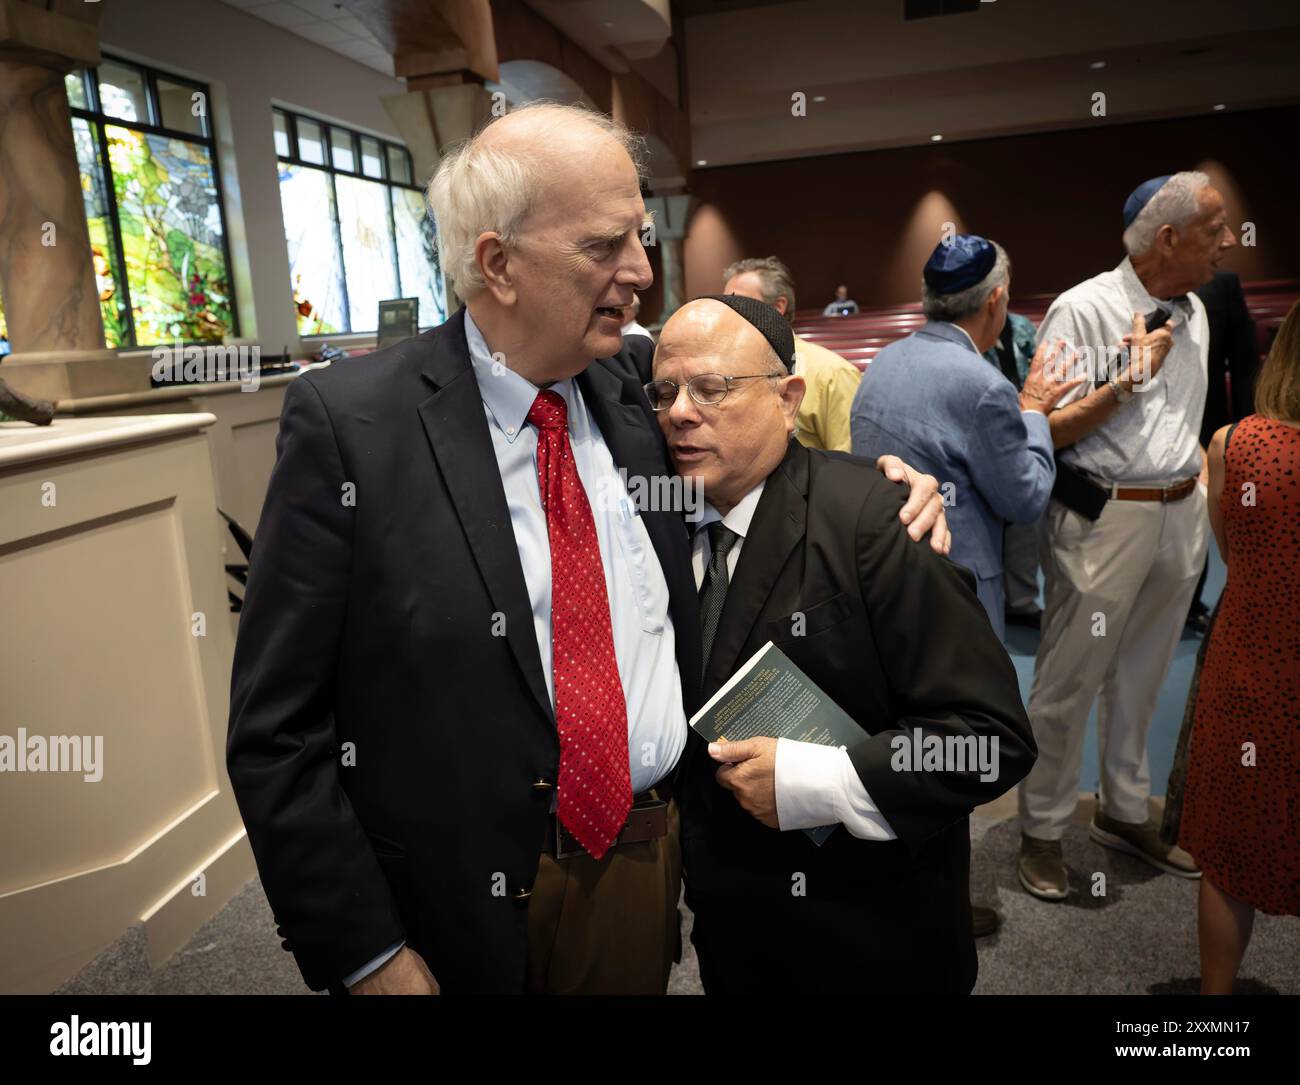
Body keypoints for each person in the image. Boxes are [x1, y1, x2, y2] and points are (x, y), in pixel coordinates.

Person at [226, 102, 948, 996]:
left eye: (640, 237)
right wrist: (363, 950)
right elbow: (277, 728)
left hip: (642, 866)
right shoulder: (353, 428)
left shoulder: (638, 393)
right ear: (499, 263)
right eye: (605, 245)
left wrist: (885, 487)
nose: (642, 270)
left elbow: (764, 467)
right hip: (450, 905)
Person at [648, 294, 1036, 993]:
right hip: (733, 931)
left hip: (871, 937)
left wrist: (822, 783)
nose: (680, 411)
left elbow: (990, 738)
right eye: (665, 392)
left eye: (711, 387)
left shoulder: (878, 517)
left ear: (788, 398)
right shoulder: (660, 525)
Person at [1017, 171, 1237, 901]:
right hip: (1105, 516)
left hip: (1178, 511)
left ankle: (1122, 807)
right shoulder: (1083, 309)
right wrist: (1127, 379)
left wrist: (1197, 486)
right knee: (1069, 679)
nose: (1229, 242)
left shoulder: (1196, 309)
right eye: (1215, 229)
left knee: (1143, 675)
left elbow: (1183, 418)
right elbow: (1043, 427)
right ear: (1167, 238)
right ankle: (1042, 828)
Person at [851, 235, 1079, 641]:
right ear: (995, 299)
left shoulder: (884, 360)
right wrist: (1034, 411)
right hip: (957, 581)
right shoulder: (985, 385)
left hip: (882, 570)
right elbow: (1024, 500)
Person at [1179, 299, 1300, 994]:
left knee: (1228, 852)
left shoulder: (1232, 444)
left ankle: (1215, 1008)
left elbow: (1232, 554)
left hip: (1250, 661)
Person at [723, 255, 861, 451]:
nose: (727, 313)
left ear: (778, 307)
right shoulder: (725, 371)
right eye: (726, 304)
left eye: (740, 303)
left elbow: (850, 462)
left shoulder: (833, 374)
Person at [1185, 269, 1259, 633]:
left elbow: (1243, 363)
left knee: (1202, 512)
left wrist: (1251, 432)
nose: (1228, 242)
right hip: (1144, 431)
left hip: (1207, 419)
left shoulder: (1221, 284)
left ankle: (1190, 601)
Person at [984, 311, 1048, 628]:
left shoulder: (1020, 326)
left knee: (1026, 516)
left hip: (1022, 427)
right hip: (988, 432)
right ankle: (993, 599)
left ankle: (1021, 600)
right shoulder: (969, 335)